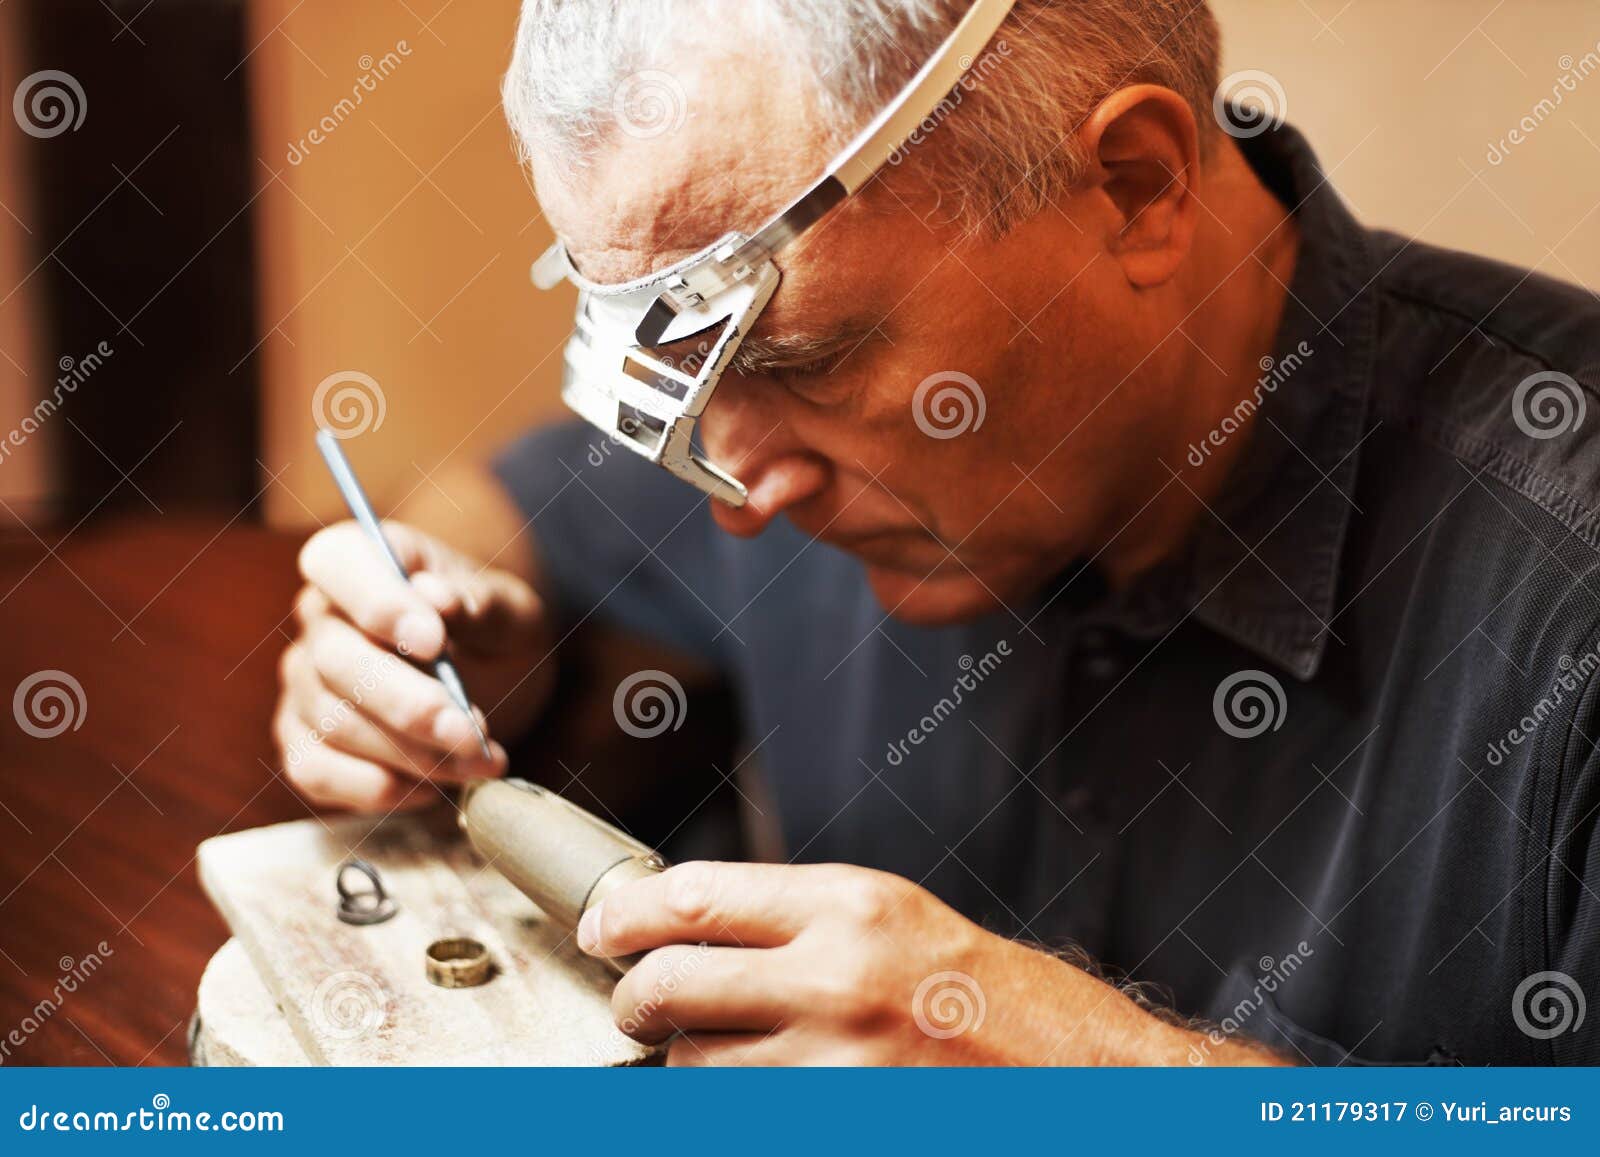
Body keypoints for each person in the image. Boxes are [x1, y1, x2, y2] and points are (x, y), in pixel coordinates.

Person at [273, 0, 1600, 1065]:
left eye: (808, 361)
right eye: (679, 379)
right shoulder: (787, 440)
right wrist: (431, 620)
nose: (738, 494)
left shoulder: (1557, 598)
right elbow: (500, 502)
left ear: (1136, 184)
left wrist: (1093, 1076)